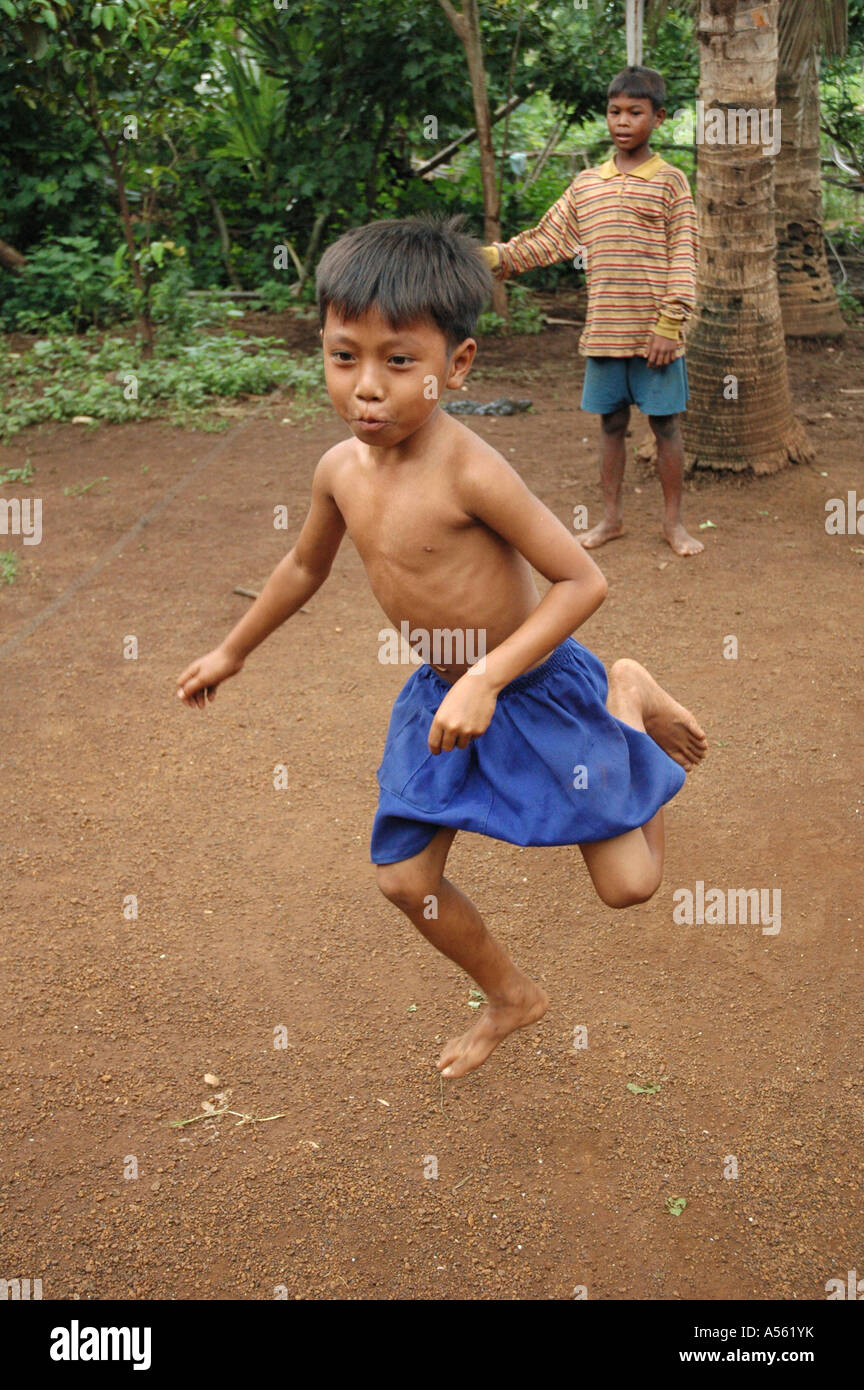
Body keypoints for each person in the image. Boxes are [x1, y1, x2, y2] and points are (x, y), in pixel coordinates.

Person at [176, 216, 707, 1080]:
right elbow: (303, 567)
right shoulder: (338, 470)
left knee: (629, 888)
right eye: (344, 356)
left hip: (534, 689)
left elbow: (583, 582)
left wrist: (492, 677)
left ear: (455, 367)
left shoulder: (471, 470)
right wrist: (234, 651)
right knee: (401, 879)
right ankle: (511, 995)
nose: (365, 389)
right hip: (441, 694)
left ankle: (628, 698)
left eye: (398, 362)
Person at [482, 65, 703, 556]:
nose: (622, 122)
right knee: (610, 425)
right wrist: (492, 258)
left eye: (635, 112)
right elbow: (546, 240)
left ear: (659, 117)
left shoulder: (671, 182)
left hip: (656, 337)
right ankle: (611, 520)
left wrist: (672, 321)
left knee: (666, 426)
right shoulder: (586, 185)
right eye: (614, 111)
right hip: (605, 332)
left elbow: (685, 252)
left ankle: (674, 524)